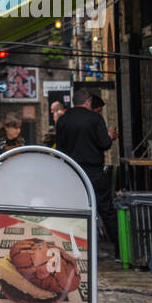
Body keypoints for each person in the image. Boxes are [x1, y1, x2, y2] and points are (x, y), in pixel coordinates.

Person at [55, 88, 118, 257]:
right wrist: (110, 136)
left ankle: (74, 248)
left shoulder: (62, 120)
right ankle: (119, 249)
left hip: (71, 172)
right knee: (106, 210)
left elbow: (59, 149)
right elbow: (105, 144)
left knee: (74, 212)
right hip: (94, 172)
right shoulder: (95, 118)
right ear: (88, 101)